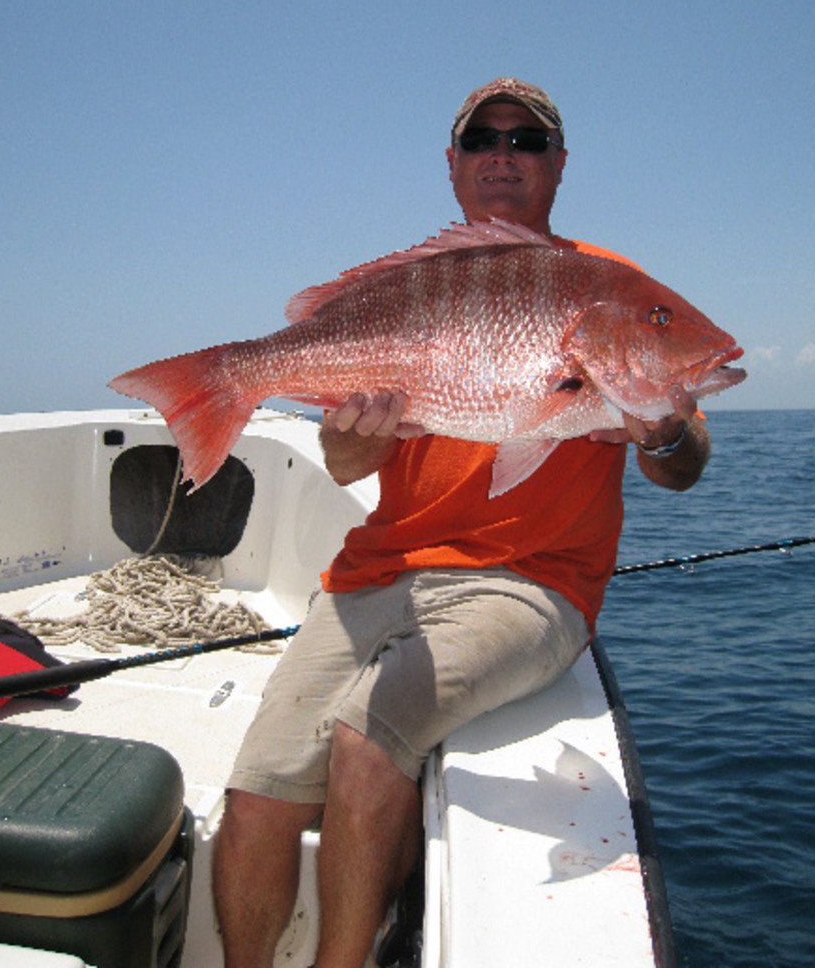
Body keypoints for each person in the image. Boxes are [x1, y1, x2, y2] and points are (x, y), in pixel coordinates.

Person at [212, 78, 710, 968]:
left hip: (527, 585)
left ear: (558, 165)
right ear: (454, 165)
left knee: (370, 738)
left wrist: (664, 424)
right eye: (484, 139)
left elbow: (682, 466)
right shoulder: (411, 285)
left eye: (527, 142)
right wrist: (349, 435)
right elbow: (346, 468)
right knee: (258, 791)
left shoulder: (612, 289)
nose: (503, 156)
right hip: (377, 572)